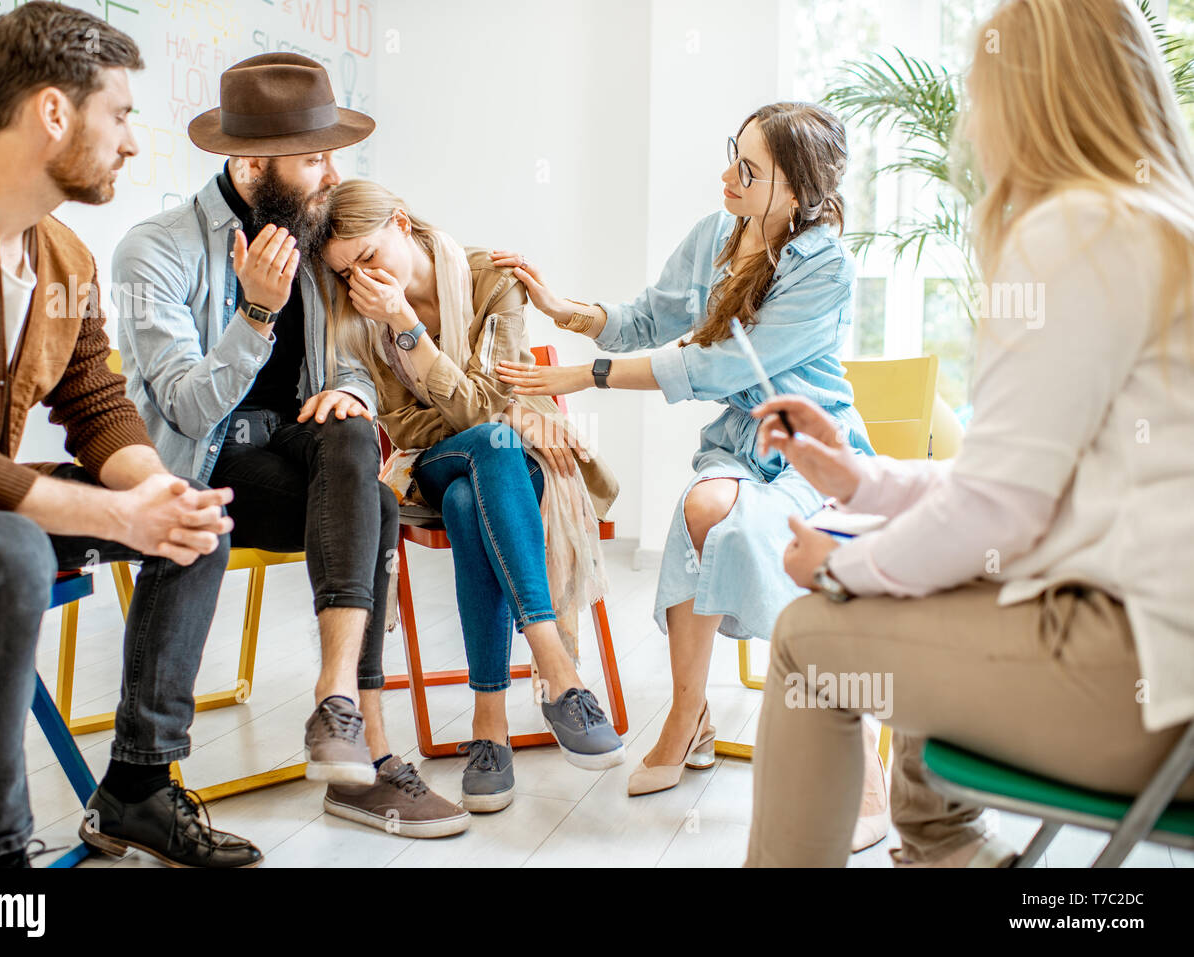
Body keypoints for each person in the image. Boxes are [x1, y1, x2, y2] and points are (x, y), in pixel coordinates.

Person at [745, 0, 1194, 867]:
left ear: (1026, 94)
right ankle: (950, 850)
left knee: (806, 637)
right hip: (1165, 675)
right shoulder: (1156, 223)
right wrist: (858, 481)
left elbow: (997, 513)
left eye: (979, 92)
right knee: (914, 582)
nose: (972, 124)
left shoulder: (1078, 229)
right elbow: (1026, 486)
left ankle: (943, 845)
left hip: (1144, 692)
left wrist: (834, 565)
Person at [0, 2, 261, 868]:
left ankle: (136, 785)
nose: (132, 141)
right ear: (54, 112)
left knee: (188, 519)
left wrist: (149, 493)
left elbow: (96, 405)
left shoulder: (64, 257)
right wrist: (108, 517)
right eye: (121, 113)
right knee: (10, 551)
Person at [492, 104, 889, 848]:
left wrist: (588, 377)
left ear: (798, 190)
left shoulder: (827, 266)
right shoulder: (719, 233)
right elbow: (653, 313)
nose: (726, 178)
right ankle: (688, 713)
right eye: (730, 158)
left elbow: (718, 365)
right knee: (700, 508)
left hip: (814, 446)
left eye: (748, 170)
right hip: (742, 443)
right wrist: (563, 309)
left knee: (797, 549)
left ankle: (860, 757)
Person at [114, 55, 466, 838]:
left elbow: (349, 366)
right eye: (314, 157)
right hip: (203, 460)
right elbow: (184, 405)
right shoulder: (156, 250)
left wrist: (356, 393)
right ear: (250, 163)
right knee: (340, 499)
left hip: (299, 456)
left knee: (355, 451)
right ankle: (363, 761)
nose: (331, 172)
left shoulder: (313, 239)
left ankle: (335, 704)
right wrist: (256, 316)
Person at [320, 180, 625, 812]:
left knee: (468, 499)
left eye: (370, 257)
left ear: (401, 223)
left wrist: (411, 333)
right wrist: (469, 396)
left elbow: (490, 400)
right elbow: (411, 427)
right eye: (346, 272)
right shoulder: (357, 314)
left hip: (520, 462)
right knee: (488, 441)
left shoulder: (491, 277)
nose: (362, 281)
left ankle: (490, 729)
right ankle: (558, 672)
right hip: (435, 462)